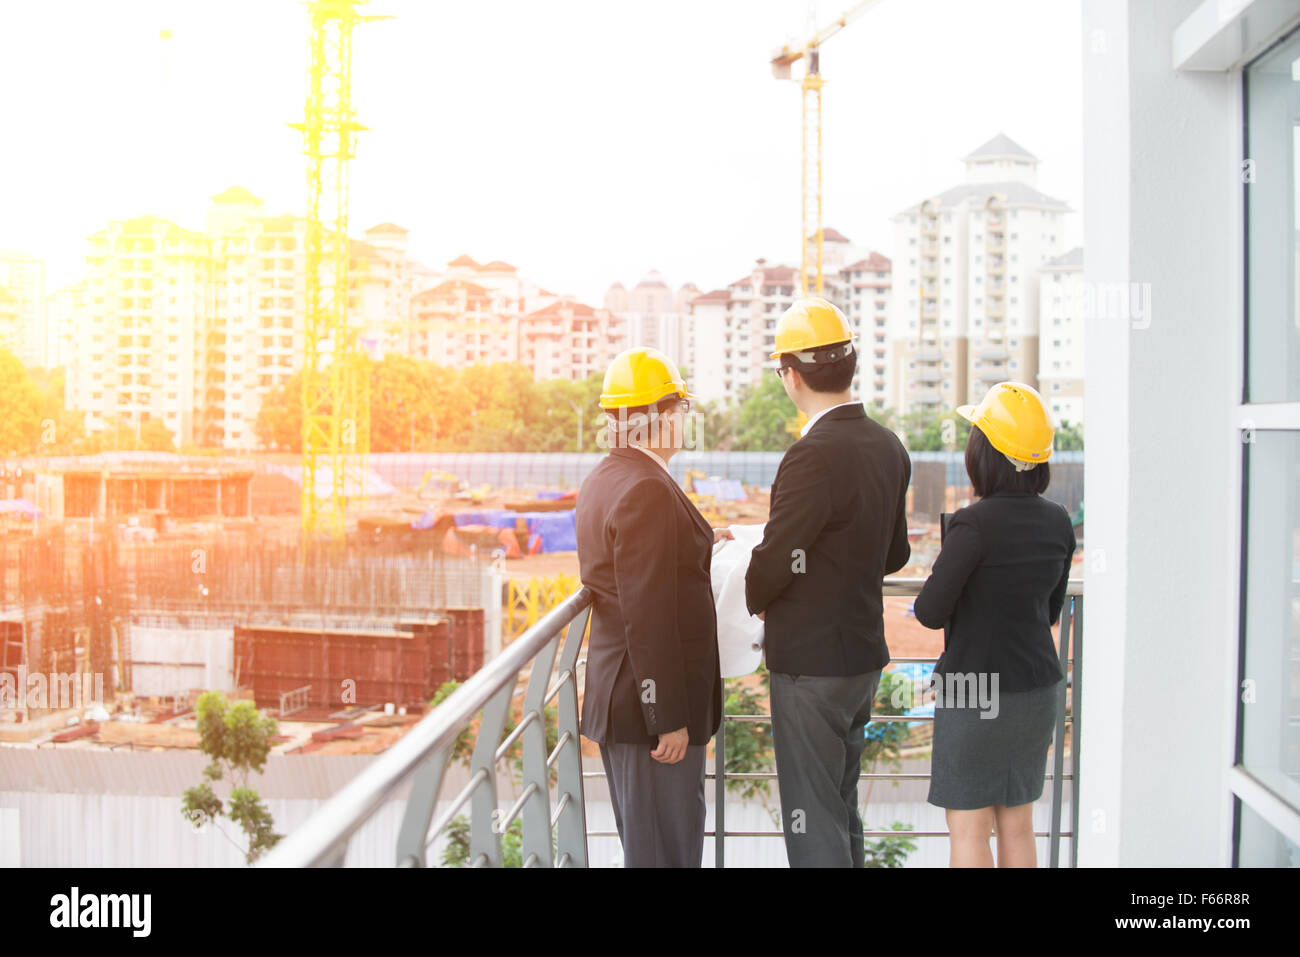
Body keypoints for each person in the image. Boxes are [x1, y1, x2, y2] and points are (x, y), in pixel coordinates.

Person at [744, 298, 912, 868]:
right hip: (860, 659)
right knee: (839, 810)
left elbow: (774, 561)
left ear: (790, 374)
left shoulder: (810, 455)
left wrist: (755, 589)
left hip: (810, 666)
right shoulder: (888, 445)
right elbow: (895, 553)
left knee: (814, 822)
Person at [913, 381, 1075, 868]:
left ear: (982, 454)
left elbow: (928, 611)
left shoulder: (973, 524)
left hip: (972, 689)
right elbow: (1048, 611)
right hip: (1037, 688)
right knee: (1017, 823)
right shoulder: (1059, 521)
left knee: (968, 829)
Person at [574, 346, 726, 868]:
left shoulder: (608, 476)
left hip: (627, 700)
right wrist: (667, 718)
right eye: (682, 408)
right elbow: (648, 613)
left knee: (652, 847)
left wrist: (704, 538)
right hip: (649, 714)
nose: (685, 419)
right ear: (662, 415)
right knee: (668, 852)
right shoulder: (647, 488)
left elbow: (640, 571)